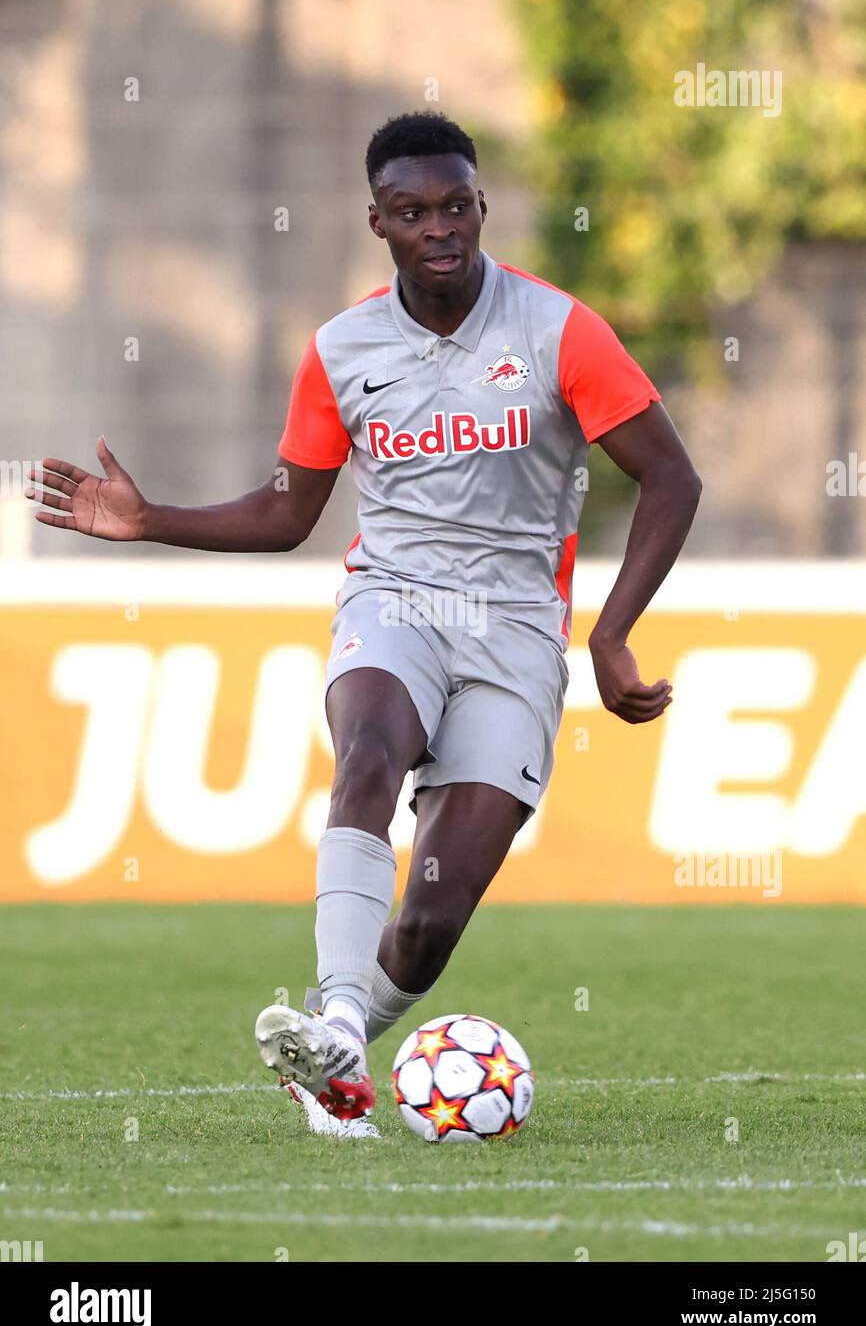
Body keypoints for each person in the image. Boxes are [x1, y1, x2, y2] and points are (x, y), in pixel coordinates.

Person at [28, 112, 701, 1130]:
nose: (440, 228)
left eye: (456, 207)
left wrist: (607, 634)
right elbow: (287, 511)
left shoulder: (558, 329)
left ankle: (338, 1055)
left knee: (430, 916)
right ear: (377, 221)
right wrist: (153, 517)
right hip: (392, 601)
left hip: (517, 629)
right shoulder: (342, 348)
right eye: (412, 212)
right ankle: (335, 1009)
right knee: (369, 758)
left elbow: (670, 477)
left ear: (480, 209)